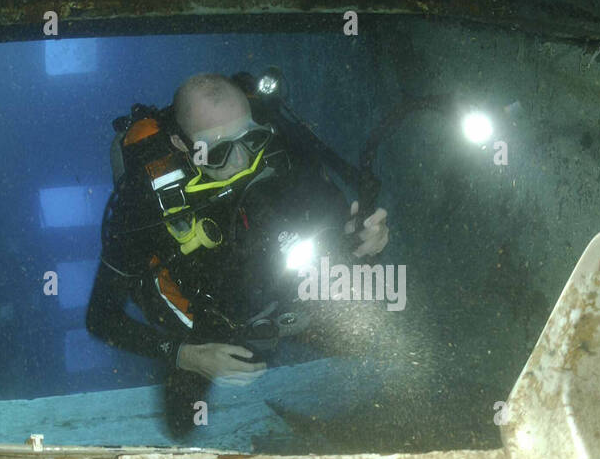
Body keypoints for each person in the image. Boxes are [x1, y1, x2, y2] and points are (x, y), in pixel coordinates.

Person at [86, 72, 389, 437]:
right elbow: (101, 318)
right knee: (181, 426)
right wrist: (188, 356)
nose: (242, 161)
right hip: (203, 326)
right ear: (181, 144)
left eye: (251, 139)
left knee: (366, 336)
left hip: (282, 295)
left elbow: (339, 227)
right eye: (217, 152)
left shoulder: (281, 150)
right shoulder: (142, 202)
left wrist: (365, 241)